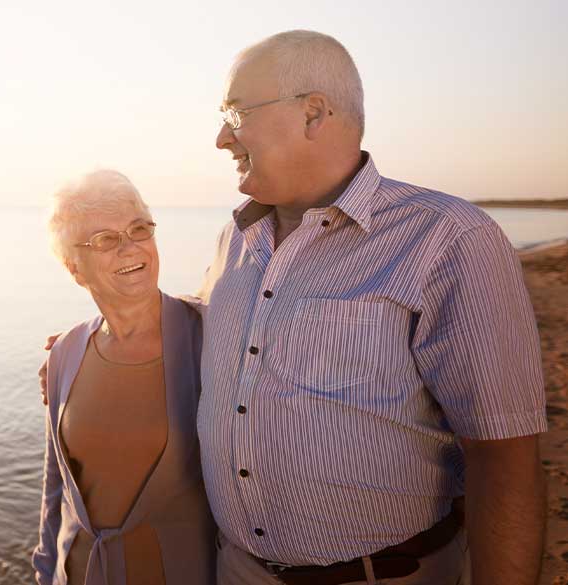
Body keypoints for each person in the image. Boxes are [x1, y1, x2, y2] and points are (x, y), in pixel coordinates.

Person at [41, 30, 546, 585]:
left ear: (312, 114)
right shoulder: (235, 240)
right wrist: (90, 344)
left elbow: (503, 457)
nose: (220, 138)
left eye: (234, 114)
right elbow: (214, 313)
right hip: (238, 572)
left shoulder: (448, 239)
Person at [34, 170, 215, 585]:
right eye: (105, 240)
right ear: (75, 269)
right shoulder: (66, 352)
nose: (129, 247)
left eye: (138, 229)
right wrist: (45, 573)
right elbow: (55, 491)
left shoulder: (209, 335)